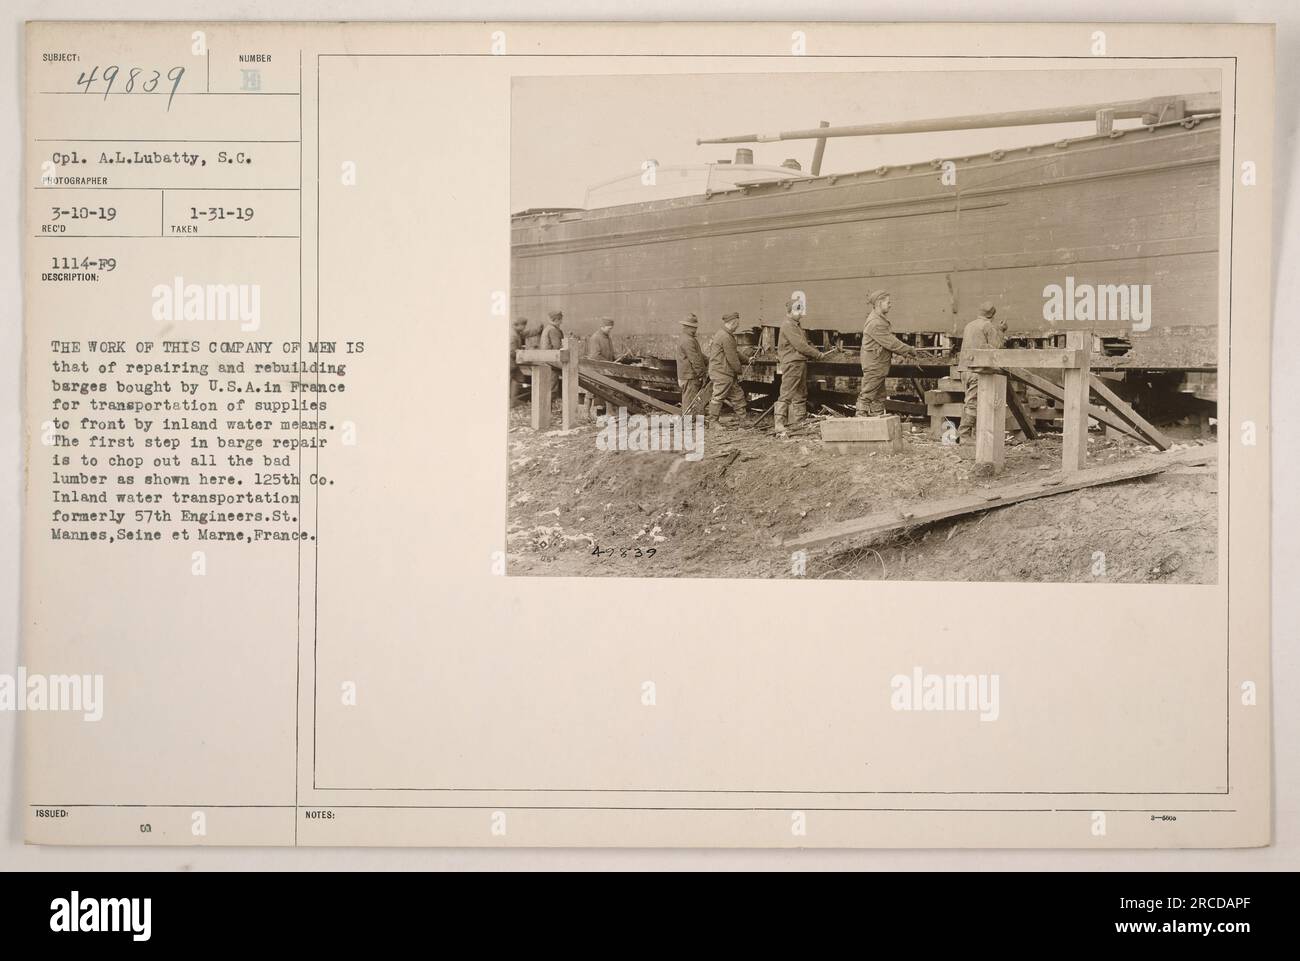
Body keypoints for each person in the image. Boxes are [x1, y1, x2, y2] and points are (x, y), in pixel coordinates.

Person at [855, 290, 923, 417]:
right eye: (888, 302)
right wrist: (909, 350)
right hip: (875, 366)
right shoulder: (876, 323)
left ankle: (877, 419)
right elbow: (891, 343)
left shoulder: (878, 320)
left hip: (877, 365)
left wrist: (906, 352)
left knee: (878, 396)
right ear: (880, 303)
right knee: (867, 395)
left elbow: (888, 343)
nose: (890, 305)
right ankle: (860, 419)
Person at [774, 297, 822, 435]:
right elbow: (800, 345)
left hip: (799, 362)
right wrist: (817, 354)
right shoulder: (788, 325)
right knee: (787, 393)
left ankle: (800, 421)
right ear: (790, 311)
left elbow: (805, 342)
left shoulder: (796, 325)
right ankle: (779, 424)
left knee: (800, 393)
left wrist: (814, 349)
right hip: (792, 363)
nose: (801, 313)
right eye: (798, 309)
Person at [957, 302, 1003, 439]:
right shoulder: (987, 326)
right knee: (973, 403)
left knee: (971, 401)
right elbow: (996, 348)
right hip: (977, 371)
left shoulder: (969, 325)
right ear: (992, 316)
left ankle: (974, 436)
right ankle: (964, 436)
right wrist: (1001, 330)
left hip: (964, 370)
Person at [706, 312, 750, 424]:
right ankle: (713, 422)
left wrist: (747, 360)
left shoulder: (724, 334)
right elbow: (732, 358)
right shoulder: (725, 337)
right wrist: (739, 371)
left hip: (725, 373)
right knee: (718, 397)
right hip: (722, 373)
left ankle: (744, 420)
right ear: (733, 323)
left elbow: (735, 352)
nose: (738, 326)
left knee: (738, 395)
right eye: (737, 324)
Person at [675, 313, 708, 412]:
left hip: (687, 375)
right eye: (693, 327)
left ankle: (690, 422)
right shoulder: (688, 340)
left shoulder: (686, 338)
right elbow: (695, 360)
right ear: (687, 327)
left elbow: (699, 355)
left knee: (689, 400)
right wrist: (702, 374)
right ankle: (689, 423)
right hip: (690, 376)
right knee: (689, 401)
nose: (695, 330)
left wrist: (710, 359)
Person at [509, 316, 529, 406]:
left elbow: (527, 333)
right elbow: (512, 351)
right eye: (523, 325)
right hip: (511, 363)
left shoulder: (516, 333)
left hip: (512, 363)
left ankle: (513, 400)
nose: (524, 327)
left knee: (518, 378)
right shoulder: (513, 335)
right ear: (517, 325)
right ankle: (512, 401)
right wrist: (523, 356)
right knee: (516, 378)